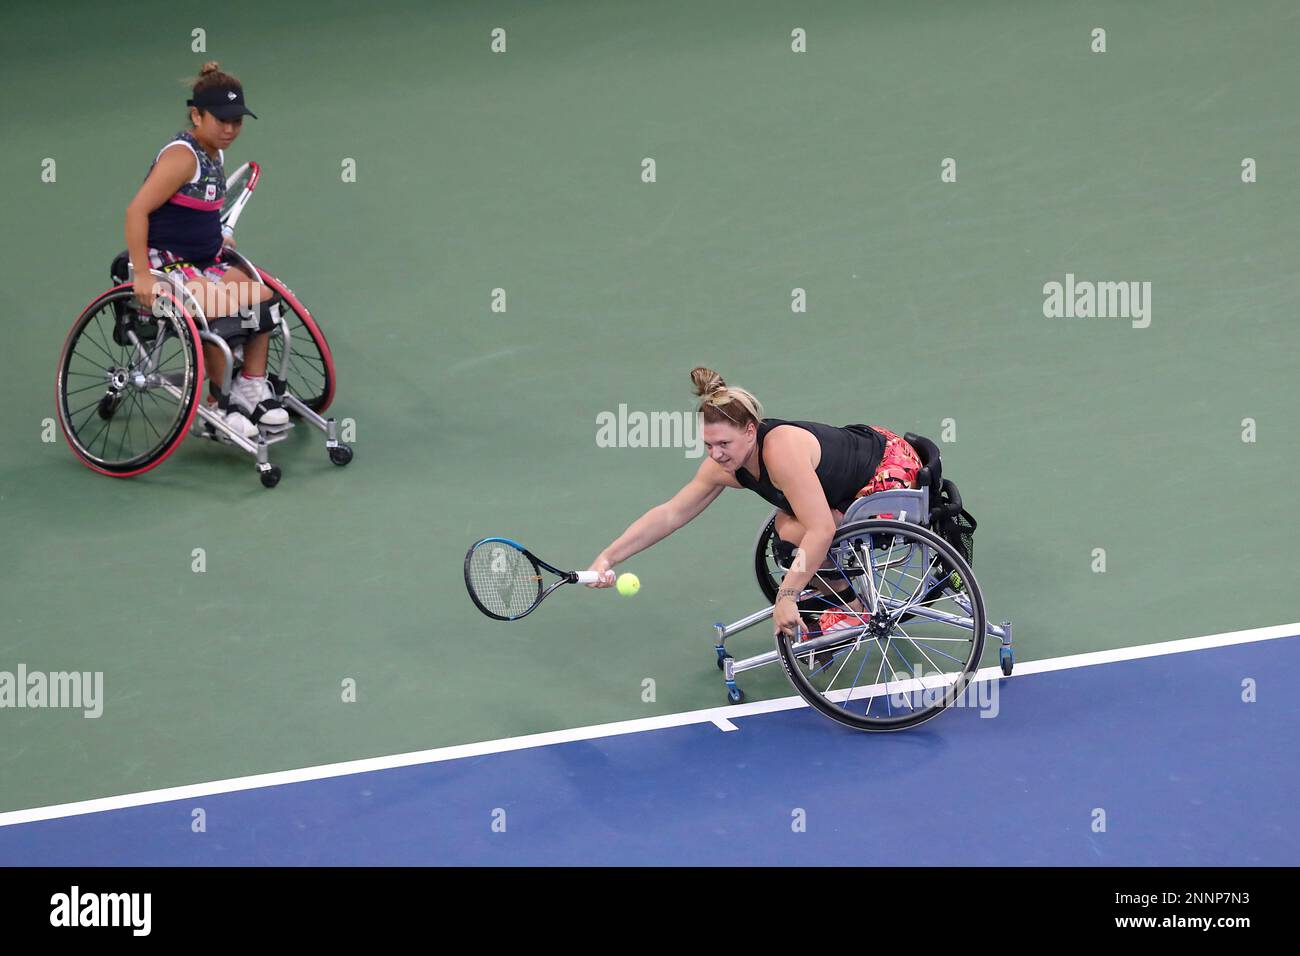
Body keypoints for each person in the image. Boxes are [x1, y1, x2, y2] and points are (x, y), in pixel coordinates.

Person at [586, 367, 924, 638]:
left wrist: (787, 595)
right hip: (849, 477)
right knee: (786, 529)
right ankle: (838, 596)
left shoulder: (780, 452)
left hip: (887, 472)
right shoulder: (724, 466)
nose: (716, 454)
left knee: (797, 537)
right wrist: (607, 557)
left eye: (723, 443)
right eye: (708, 445)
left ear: (750, 431)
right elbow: (671, 513)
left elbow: (820, 529)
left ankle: (852, 610)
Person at [124, 61, 287, 439]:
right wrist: (143, 275)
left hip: (202, 261)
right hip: (166, 265)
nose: (230, 129)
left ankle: (250, 385)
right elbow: (137, 211)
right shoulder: (182, 157)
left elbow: (194, 210)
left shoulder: (215, 153)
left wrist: (216, 235)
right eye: (220, 120)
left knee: (263, 297)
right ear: (196, 115)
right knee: (223, 305)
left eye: (237, 121)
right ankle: (217, 404)